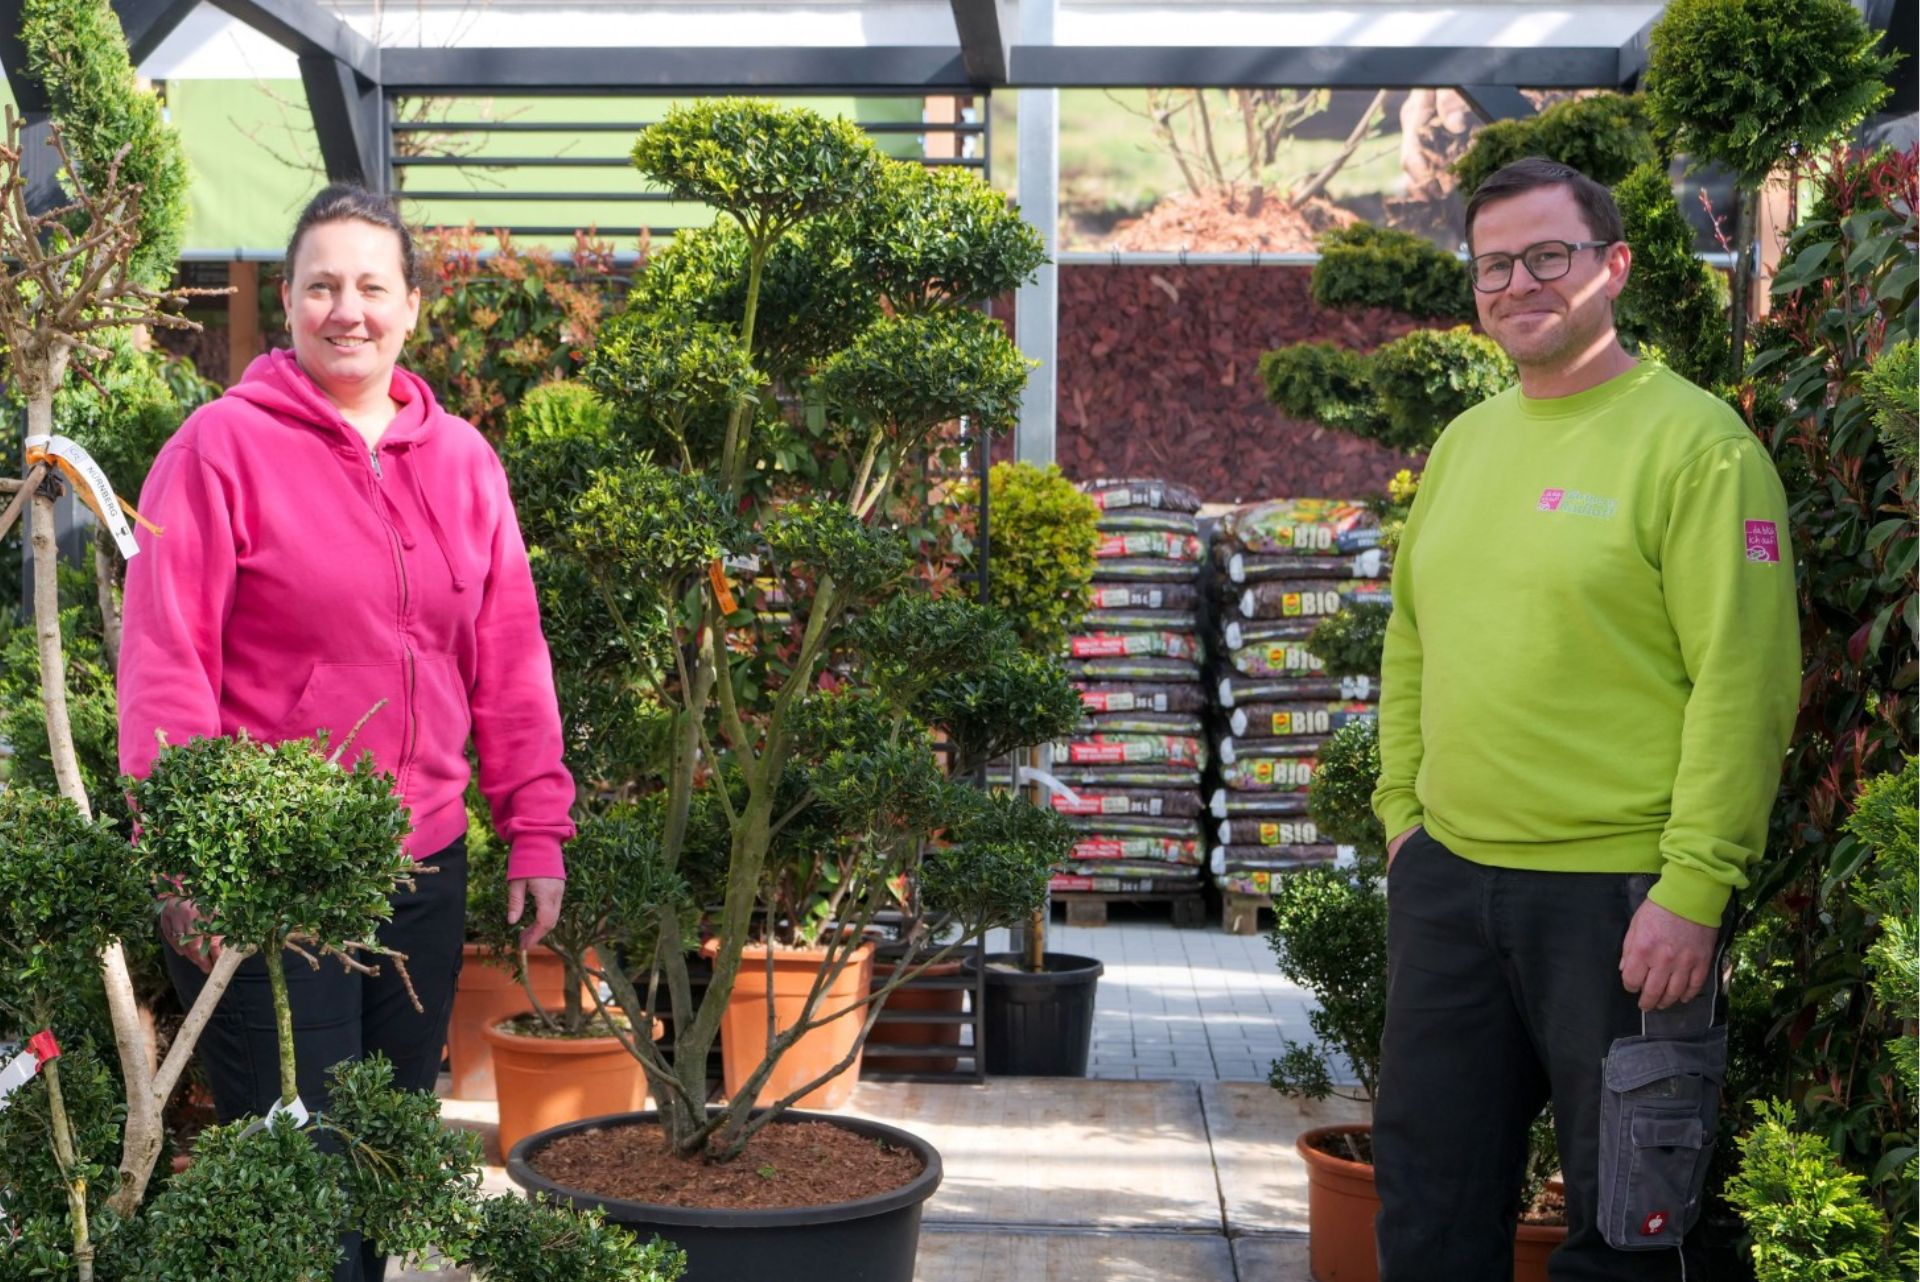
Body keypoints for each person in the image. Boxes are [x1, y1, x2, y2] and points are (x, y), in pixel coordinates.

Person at [117, 184, 575, 1282]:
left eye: (372, 286)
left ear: (412, 306)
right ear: (286, 302)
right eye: (322, 285)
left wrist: (536, 827)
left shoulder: (463, 462)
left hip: (419, 868)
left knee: (380, 1156)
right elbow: (167, 665)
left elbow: (508, 656)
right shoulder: (218, 448)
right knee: (298, 1166)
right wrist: (180, 855)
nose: (348, 309)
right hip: (269, 884)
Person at [1369, 157, 1799, 1281]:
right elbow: (1412, 640)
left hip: (1622, 907)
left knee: (1626, 1231)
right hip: (1450, 885)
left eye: (1547, 255)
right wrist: (1401, 820)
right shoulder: (1466, 445)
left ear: (1613, 266)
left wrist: (1695, 886)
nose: (1519, 282)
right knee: (1427, 1205)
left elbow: (1744, 681)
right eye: (1493, 264)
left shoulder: (1699, 449)